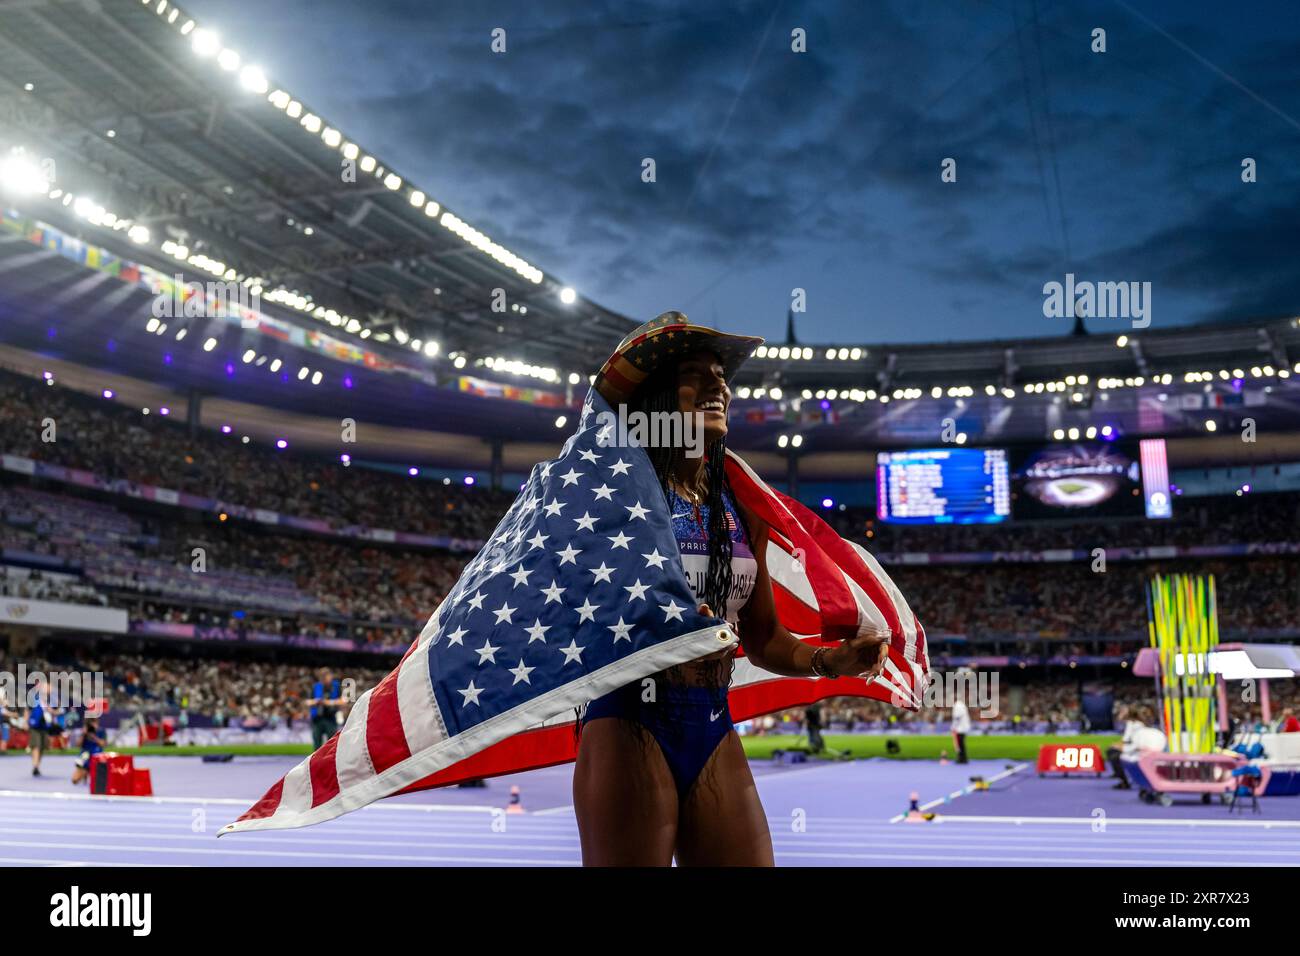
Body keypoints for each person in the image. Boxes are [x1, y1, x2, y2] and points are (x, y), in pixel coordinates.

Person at [572, 312, 892, 866]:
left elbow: (765, 639)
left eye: (722, 375)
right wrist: (665, 629)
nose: (720, 385)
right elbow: (574, 615)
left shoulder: (741, 508)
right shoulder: (612, 492)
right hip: (629, 715)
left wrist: (829, 658)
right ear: (654, 397)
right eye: (696, 373)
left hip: (712, 718)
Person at [27, 677, 56, 777]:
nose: (49, 690)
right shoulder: (34, 698)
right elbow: (28, 710)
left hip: (44, 726)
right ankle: (35, 766)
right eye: (47, 688)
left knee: (42, 747)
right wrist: (26, 723)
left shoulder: (49, 700)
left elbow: (54, 711)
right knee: (36, 745)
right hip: (35, 725)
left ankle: (37, 766)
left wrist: (51, 712)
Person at [308, 668, 343, 750]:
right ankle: (316, 762)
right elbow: (308, 702)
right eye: (322, 676)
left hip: (330, 718)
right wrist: (316, 701)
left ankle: (330, 762)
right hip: (317, 719)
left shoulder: (336, 686)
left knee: (331, 746)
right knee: (317, 746)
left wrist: (327, 702)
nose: (324, 678)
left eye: (326, 676)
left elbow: (342, 701)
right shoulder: (316, 686)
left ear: (331, 676)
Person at [70, 716, 106, 785]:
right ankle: (84, 772)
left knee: (96, 779)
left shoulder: (101, 731)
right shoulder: (84, 732)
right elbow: (78, 745)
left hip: (96, 754)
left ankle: (88, 772)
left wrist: (94, 737)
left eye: (94, 722)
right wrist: (83, 734)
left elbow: (103, 744)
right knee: (74, 780)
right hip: (85, 753)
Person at [950, 693, 971, 764]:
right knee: (961, 744)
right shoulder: (961, 705)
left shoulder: (957, 705)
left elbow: (957, 717)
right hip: (963, 727)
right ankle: (962, 758)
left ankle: (962, 758)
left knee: (960, 744)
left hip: (960, 728)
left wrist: (953, 726)